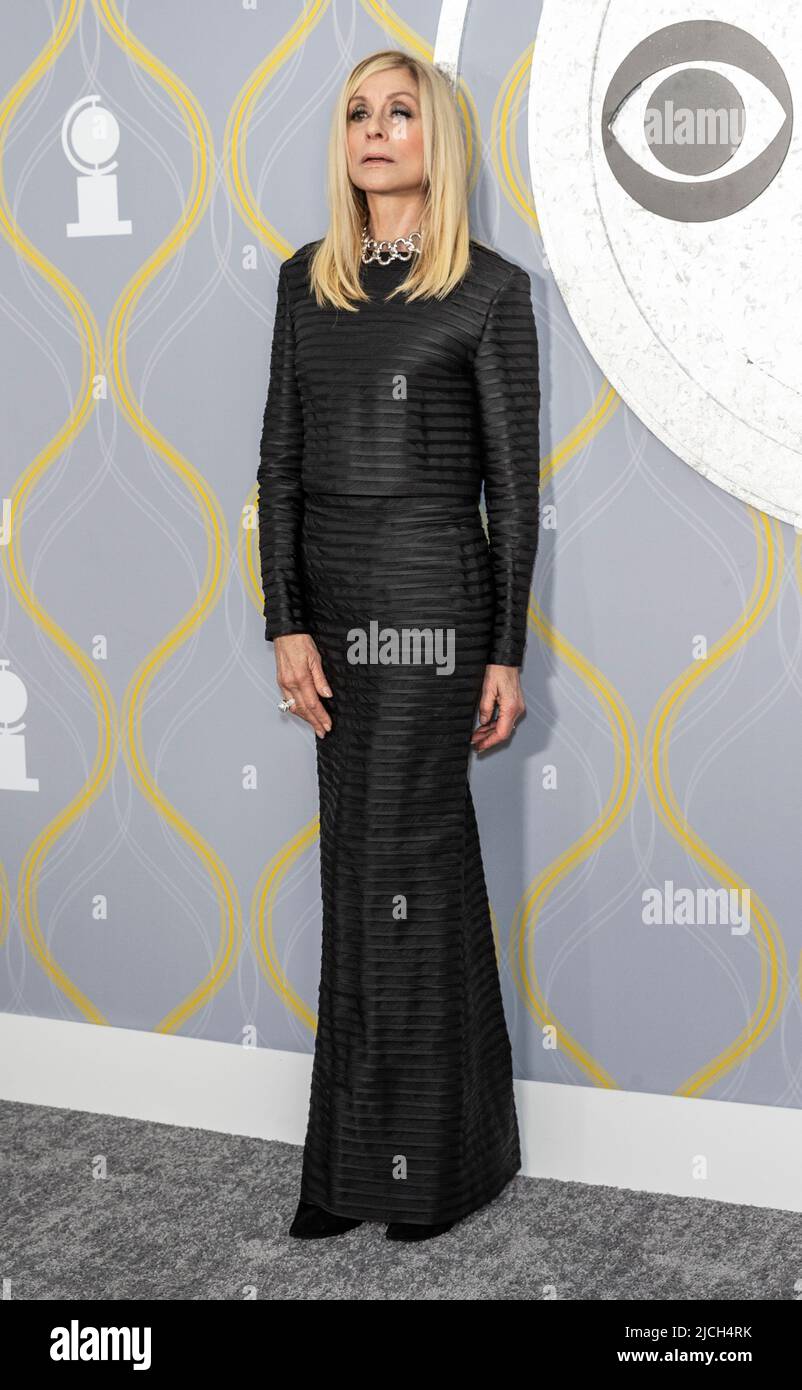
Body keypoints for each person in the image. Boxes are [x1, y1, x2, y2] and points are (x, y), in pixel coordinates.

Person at [257, 48, 540, 1242]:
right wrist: (284, 621)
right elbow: (276, 469)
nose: (376, 131)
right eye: (359, 113)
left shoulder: (487, 288)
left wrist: (505, 650)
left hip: (433, 605)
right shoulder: (301, 285)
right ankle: (353, 1166)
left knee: (405, 877)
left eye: (401, 112)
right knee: (352, 879)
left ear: (439, 138)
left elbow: (511, 493)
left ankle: (424, 1174)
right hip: (330, 608)